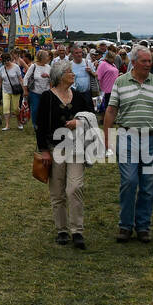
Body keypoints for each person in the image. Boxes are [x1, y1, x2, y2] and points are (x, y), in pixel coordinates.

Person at [103, 47, 153, 244]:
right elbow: (111, 111)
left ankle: (143, 226)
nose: (148, 64)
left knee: (148, 185)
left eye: (149, 61)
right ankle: (125, 225)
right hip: (127, 136)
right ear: (134, 62)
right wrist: (107, 137)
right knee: (129, 181)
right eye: (144, 61)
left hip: (152, 139)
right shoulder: (121, 81)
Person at [36, 59, 95, 249]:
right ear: (60, 76)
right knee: (57, 191)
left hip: (77, 147)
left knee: (75, 187)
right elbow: (40, 126)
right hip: (55, 149)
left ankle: (77, 230)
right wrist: (44, 151)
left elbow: (92, 117)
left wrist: (80, 123)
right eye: (69, 71)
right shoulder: (47, 97)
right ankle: (62, 229)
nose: (73, 74)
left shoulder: (78, 97)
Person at [0, 52, 25, 131]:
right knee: (5, 107)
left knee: (16, 108)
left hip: (16, 91)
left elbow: (20, 79)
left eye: (7, 61)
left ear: (10, 59)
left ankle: (19, 123)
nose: (6, 63)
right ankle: (7, 125)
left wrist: (25, 90)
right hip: (5, 90)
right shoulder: (2, 68)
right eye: (4, 61)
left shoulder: (16, 67)